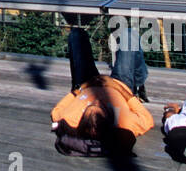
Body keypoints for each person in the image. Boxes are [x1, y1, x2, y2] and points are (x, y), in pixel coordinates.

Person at [51, 27, 154, 156]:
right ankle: (138, 84)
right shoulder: (124, 123)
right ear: (109, 117)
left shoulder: (71, 120)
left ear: (82, 119)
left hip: (86, 85)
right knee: (129, 34)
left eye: (90, 106)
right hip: (119, 85)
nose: (96, 101)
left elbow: (56, 112)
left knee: (76, 34)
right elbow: (147, 119)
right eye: (101, 107)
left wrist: (78, 90)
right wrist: (124, 92)